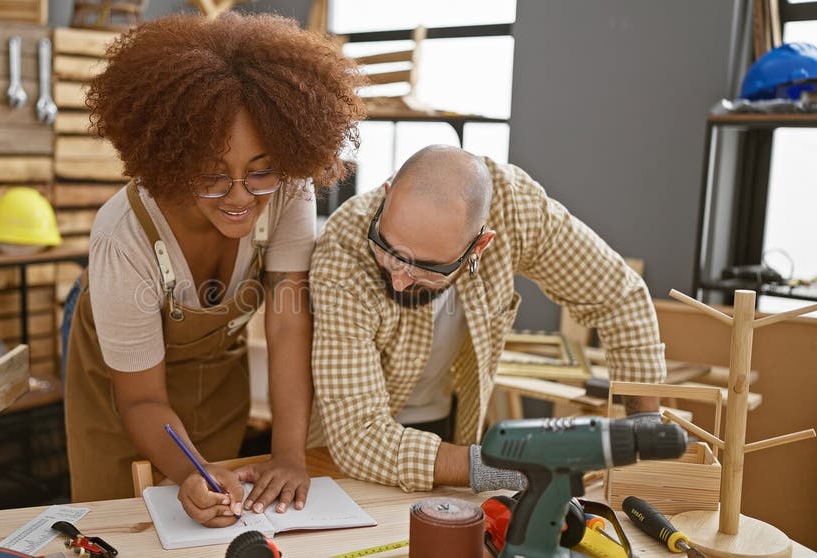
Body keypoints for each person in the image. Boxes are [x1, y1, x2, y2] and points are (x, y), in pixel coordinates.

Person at [63, 12, 365, 527]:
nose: (241, 197)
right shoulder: (124, 237)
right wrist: (193, 471)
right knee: (125, 532)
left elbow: (289, 320)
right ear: (171, 161)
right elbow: (142, 400)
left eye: (259, 170)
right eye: (212, 174)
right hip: (124, 401)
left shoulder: (286, 188)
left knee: (221, 526)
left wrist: (288, 454)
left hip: (218, 390)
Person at [309, 145, 665, 493]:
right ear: (386, 197)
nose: (400, 277)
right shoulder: (345, 248)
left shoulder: (516, 209)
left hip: (448, 429)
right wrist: (502, 468)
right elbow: (359, 436)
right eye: (387, 248)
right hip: (343, 455)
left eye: (428, 268)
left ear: (479, 245)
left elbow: (621, 297)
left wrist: (643, 430)